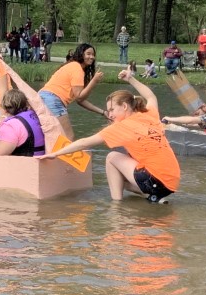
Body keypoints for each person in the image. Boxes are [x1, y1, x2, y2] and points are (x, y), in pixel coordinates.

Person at [44, 69, 180, 203]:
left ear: (125, 106)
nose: (110, 114)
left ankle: (116, 205)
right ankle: (154, 197)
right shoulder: (148, 115)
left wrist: (56, 154)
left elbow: (84, 142)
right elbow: (151, 97)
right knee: (120, 178)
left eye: (112, 110)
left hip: (155, 181)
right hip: (171, 183)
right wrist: (130, 79)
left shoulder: (121, 127)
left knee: (111, 157)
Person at [38, 42, 108, 138]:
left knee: (50, 136)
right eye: (88, 54)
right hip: (53, 100)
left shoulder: (72, 66)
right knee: (68, 137)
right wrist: (94, 80)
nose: (92, 57)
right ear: (81, 54)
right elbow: (79, 95)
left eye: (93, 55)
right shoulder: (77, 68)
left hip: (41, 98)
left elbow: (80, 100)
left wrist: (103, 112)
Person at [0, 89, 46, 157]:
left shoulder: (11, 126)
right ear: (26, 103)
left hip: (25, 164)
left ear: (4, 108)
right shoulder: (36, 115)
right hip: (40, 161)